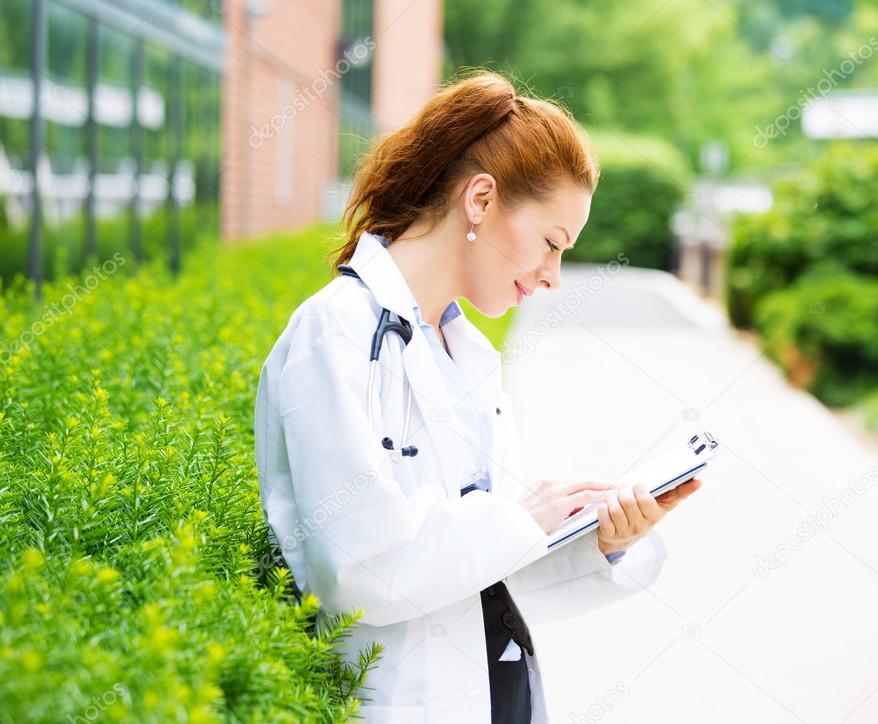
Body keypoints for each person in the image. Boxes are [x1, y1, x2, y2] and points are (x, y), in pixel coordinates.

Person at [253, 69, 702, 724]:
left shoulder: (464, 354)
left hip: (497, 692)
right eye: (551, 244)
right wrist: (525, 518)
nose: (551, 278)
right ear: (481, 200)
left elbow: (481, 569)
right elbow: (355, 569)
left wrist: (597, 539)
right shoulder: (335, 334)